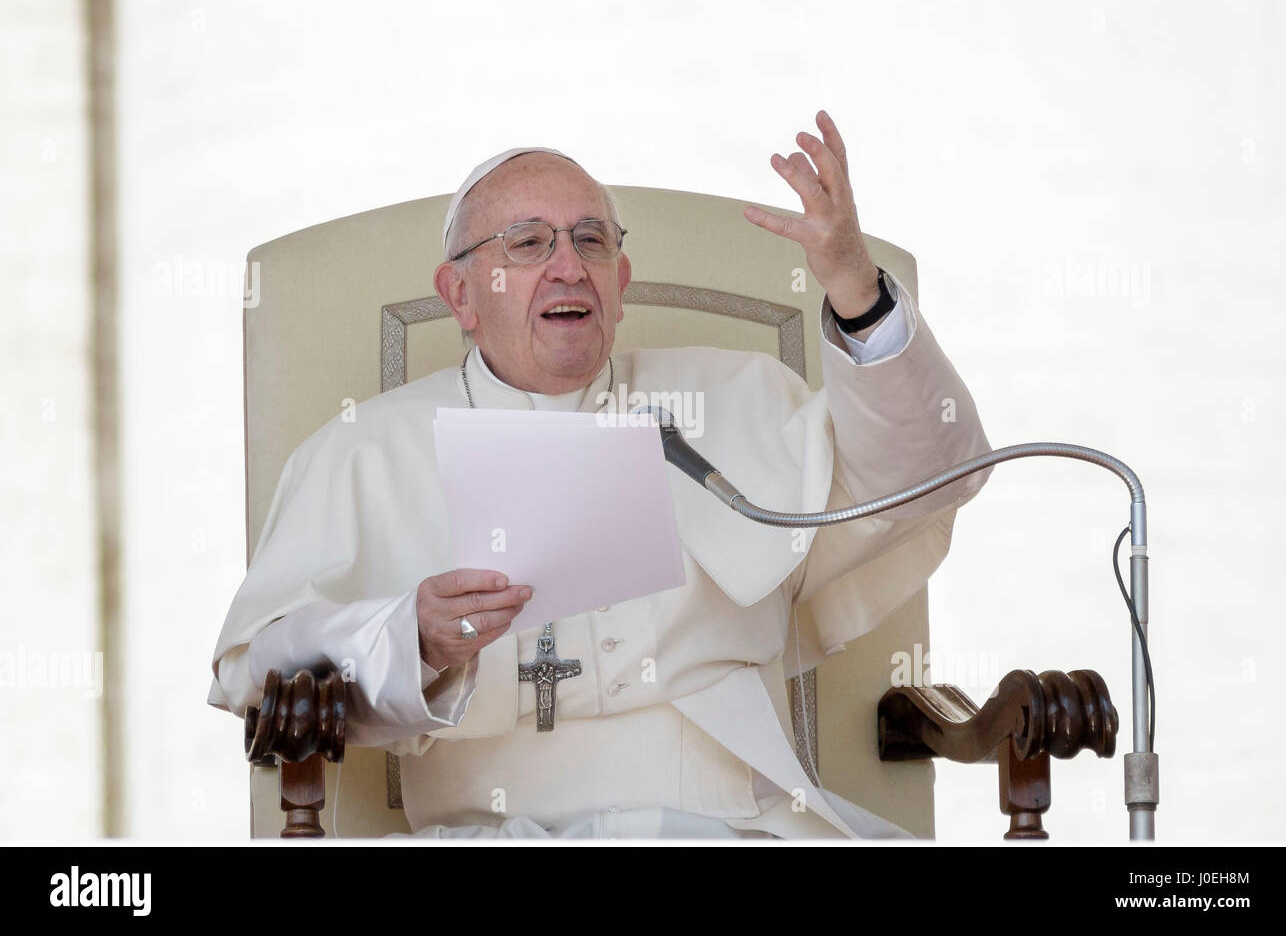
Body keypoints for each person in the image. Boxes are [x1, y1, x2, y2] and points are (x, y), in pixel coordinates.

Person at [208, 111, 993, 838]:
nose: (567, 266)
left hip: (737, 827)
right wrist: (407, 637)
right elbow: (257, 667)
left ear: (620, 286)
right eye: (526, 243)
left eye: (591, 241)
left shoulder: (734, 397)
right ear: (461, 295)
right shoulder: (362, 451)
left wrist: (853, 284)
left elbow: (931, 474)